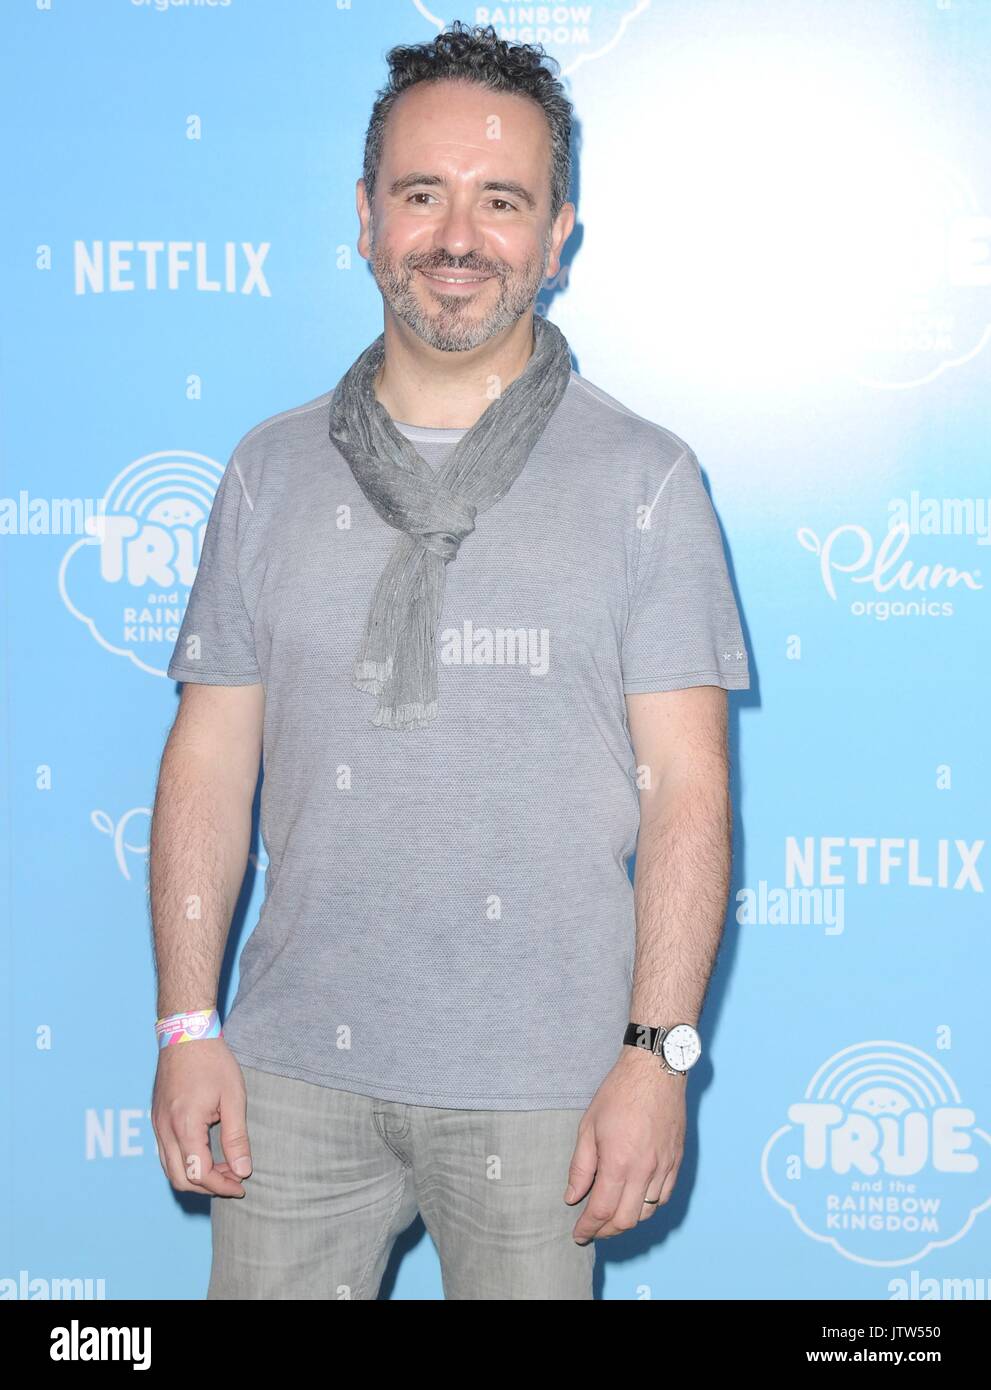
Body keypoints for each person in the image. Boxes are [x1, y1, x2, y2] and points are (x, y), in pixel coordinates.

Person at [149, 20, 750, 1301]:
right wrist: (187, 1023)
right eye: (422, 194)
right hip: (288, 1081)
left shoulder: (647, 481)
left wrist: (655, 1056)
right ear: (365, 215)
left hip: (548, 1089)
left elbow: (687, 794)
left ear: (558, 232)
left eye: (501, 200)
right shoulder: (266, 471)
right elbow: (208, 757)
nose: (458, 237)